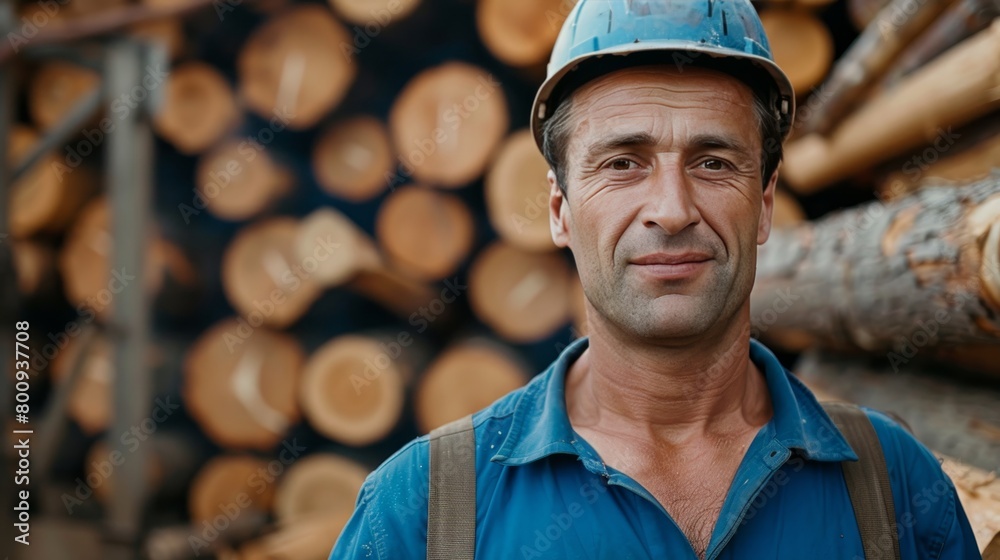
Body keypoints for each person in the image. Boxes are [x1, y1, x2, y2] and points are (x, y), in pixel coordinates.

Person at [329, 1, 981, 558]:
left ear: (763, 206)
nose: (671, 209)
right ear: (558, 209)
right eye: (622, 163)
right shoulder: (419, 517)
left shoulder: (893, 490)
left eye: (714, 161)